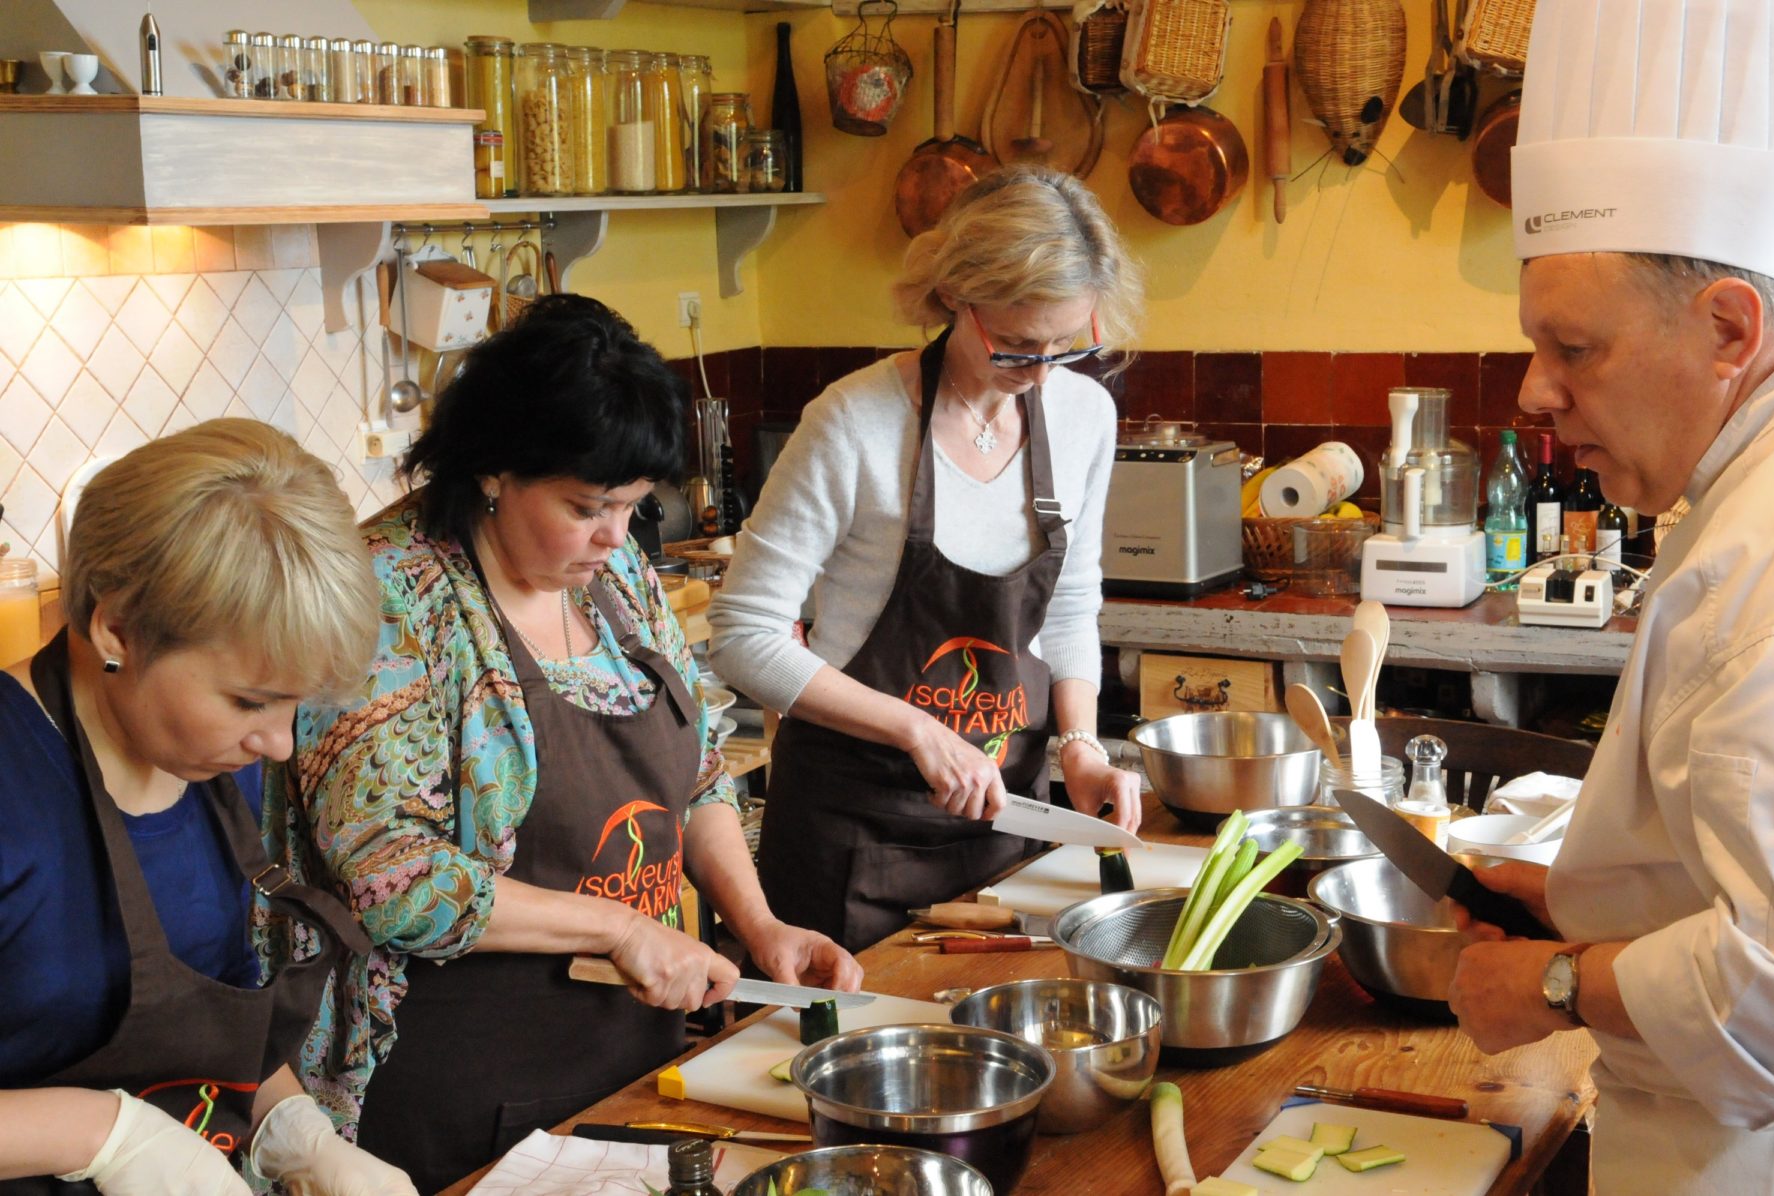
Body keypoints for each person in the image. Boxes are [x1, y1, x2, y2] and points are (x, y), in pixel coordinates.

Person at [268, 294, 861, 1191]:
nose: (615, 536)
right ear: (495, 470)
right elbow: (395, 882)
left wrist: (760, 924)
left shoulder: (613, 577)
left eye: (632, 506)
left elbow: (698, 776)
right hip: (462, 1089)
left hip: (632, 1062)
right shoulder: (389, 598)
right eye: (587, 506)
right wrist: (619, 927)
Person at [1444, 2, 1774, 1189]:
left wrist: (1552, 981)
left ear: (1729, 329)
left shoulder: (1772, 566)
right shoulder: (1752, 492)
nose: (1535, 392)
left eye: (1575, 349)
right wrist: (1591, 898)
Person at [708, 165, 1147, 952]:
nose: (1039, 375)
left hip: (1007, 829)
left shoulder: (1084, 414)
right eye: (1016, 347)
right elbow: (743, 635)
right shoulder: (855, 422)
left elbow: (1071, 603)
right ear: (953, 296)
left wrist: (1080, 747)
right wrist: (916, 729)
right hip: (854, 834)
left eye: (1066, 347)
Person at [0, 420, 412, 1195]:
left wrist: (292, 1129)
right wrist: (103, 1135)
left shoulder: (212, 765)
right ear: (118, 630)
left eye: (293, 704)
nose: (279, 744)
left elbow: (206, 1022)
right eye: (250, 701)